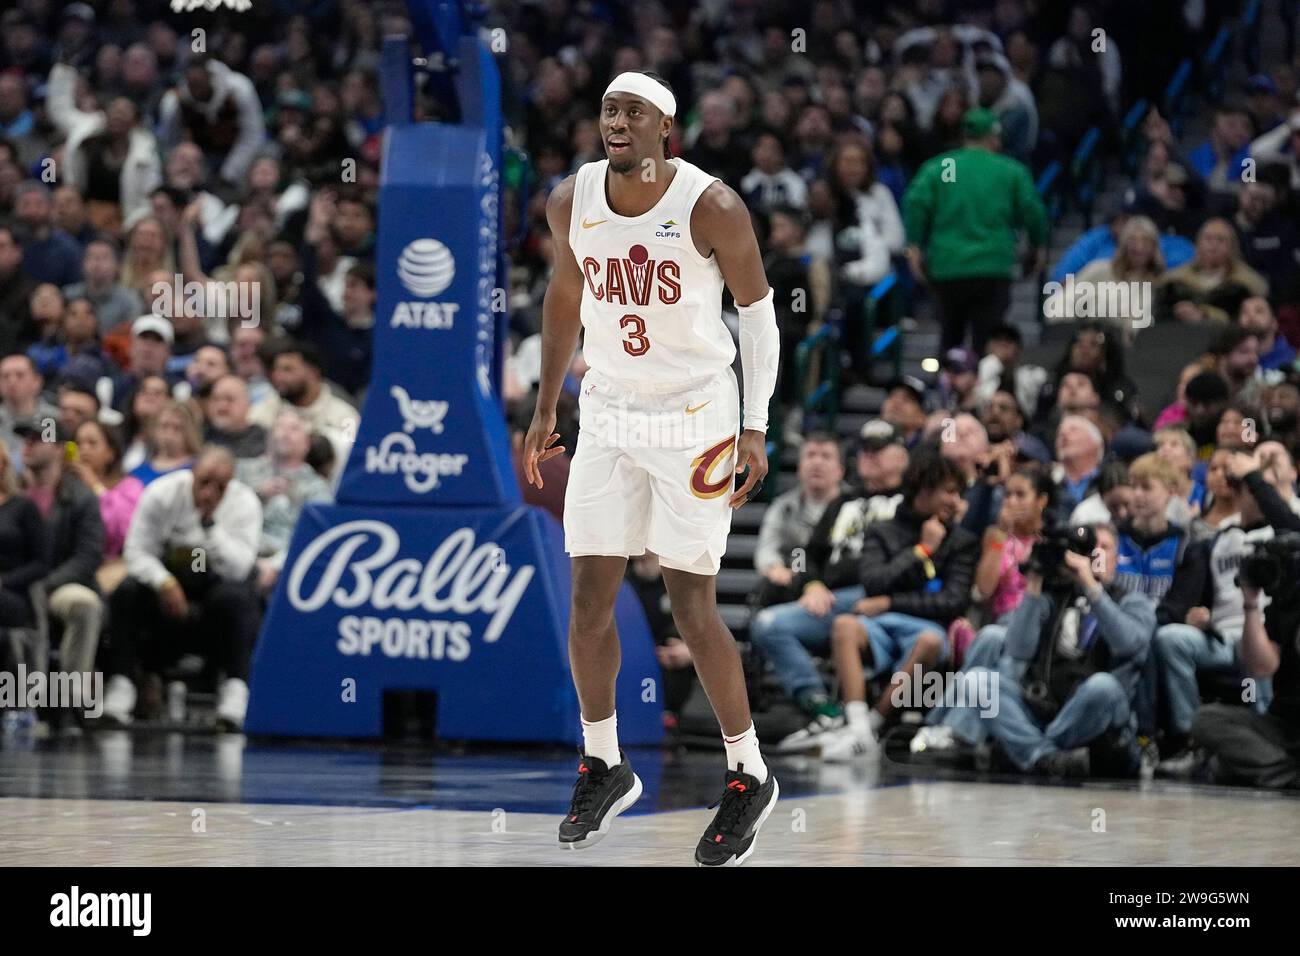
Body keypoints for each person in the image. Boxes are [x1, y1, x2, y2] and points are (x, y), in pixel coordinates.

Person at [521, 71, 781, 865]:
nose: (617, 123)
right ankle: (603, 760)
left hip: (695, 412)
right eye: (608, 111)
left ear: (668, 126)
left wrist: (755, 426)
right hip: (607, 407)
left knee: (691, 605)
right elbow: (565, 296)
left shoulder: (713, 207)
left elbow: (759, 315)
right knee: (588, 596)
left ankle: (748, 773)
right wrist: (545, 405)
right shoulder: (572, 201)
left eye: (634, 111)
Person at [750, 426, 907, 750]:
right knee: (766, 623)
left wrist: (888, 595)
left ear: (902, 456)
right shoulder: (842, 503)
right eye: (864, 450)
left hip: (877, 595)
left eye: (878, 450)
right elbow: (807, 554)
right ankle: (823, 708)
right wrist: (813, 584)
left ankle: (844, 719)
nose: (869, 456)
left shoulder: (909, 503)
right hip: (831, 597)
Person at [817, 452, 978, 760]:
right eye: (949, 491)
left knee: (929, 641)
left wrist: (891, 601)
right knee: (843, 626)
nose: (955, 501)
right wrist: (922, 550)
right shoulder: (883, 530)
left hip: (926, 627)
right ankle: (858, 726)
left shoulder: (961, 542)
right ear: (924, 489)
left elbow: (953, 602)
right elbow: (874, 582)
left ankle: (873, 726)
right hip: (880, 624)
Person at [1153, 449, 1300, 768]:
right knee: (1171, 639)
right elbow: (1195, 593)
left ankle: (1258, 750)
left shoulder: (1285, 531)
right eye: (1249, 487)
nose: (1257, 494)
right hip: (1222, 637)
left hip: (1260, 638)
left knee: (1255, 656)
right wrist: (1197, 615)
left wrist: (1256, 477)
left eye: (1263, 488)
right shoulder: (1218, 538)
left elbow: (1290, 525)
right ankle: (1192, 744)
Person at [104, 446, 262, 730]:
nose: (209, 492)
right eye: (204, 482)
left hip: (214, 587)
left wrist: (210, 525)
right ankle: (123, 683)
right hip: (167, 580)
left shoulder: (245, 502)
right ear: (191, 473)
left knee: (239, 598)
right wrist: (164, 582)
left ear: (232, 482)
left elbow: (240, 568)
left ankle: (236, 690)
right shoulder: (161, 494)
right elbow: (136, 552)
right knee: (126, 592)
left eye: (220, 486)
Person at [903, 107, 1048, 352]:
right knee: (987, 342)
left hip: (948, 265)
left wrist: (914, 245)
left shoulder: (946, 167)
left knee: (950, 338)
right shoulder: (1009, 170)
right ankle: (983, 387)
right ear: (993, 137)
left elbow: (916, 203)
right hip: (992, 266)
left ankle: (948, 387)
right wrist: (1039, 244)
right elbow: (1032, 211)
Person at [15, 416, 105, 685]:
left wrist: (46, 584)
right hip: (14, 582)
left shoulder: (81, 498)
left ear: (59, 448)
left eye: (38, 438)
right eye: (26, 438)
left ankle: (70, 698)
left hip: (59, 583)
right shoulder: (10, 492)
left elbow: (88, 557)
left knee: (84, 606)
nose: (28, 444)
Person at [753, 433, 844, 607]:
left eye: (826, 456)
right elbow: (766, 548)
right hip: (795, 579)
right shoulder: (783, 507)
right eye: (810, 455)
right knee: (770, 587)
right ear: (800, 467)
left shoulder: (854, 505)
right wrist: (775, 568)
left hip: (838, 584)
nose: (817, 462)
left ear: (840, 470)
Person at [70, 419, 143, 591]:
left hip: (114, 564)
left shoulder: (130, 487)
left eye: (92, 443)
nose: (84, 449)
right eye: (78, 443)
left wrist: (96, 486)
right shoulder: (65, 488)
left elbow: (125, 531)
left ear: (111, 453)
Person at [129, 399, 200, 486]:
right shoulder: (138, 473)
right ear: (154, 429)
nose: (169, 434)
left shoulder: (198, 469)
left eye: (177, 428)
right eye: (164, 426)